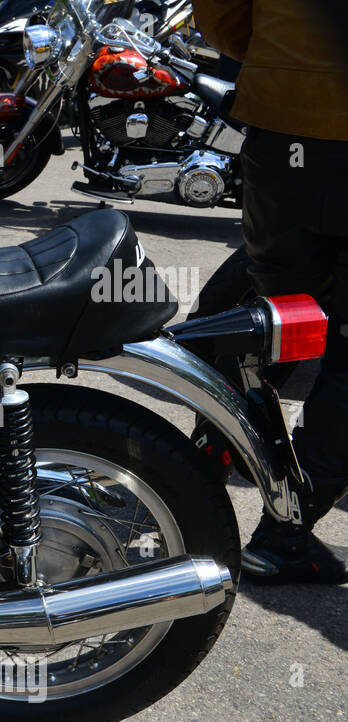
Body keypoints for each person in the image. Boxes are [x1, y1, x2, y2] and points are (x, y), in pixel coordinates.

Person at [195, 1, 348, 583]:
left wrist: (287, 62)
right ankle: (284, 532)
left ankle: (195, 466)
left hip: (281, 135)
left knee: (276, 323)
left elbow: (221, 15)